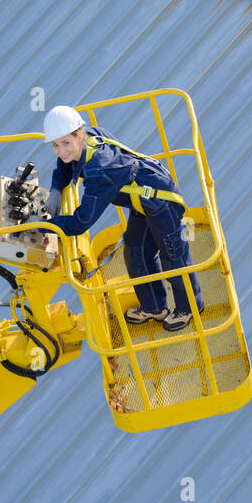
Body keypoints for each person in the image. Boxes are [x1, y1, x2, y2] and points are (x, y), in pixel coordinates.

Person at [38, 105, 203, 332]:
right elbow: (65, 164)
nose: (61, 151)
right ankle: (155, 307)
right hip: (141, 202)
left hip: (161, 200)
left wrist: (42, 227)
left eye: (66, 143)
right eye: (55, 145)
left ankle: (189, 307)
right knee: (136, 252)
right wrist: (56, 188)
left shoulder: (100, 170)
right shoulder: (89, 136)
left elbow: (80, 222)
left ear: (79, 134)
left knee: (173, 257)